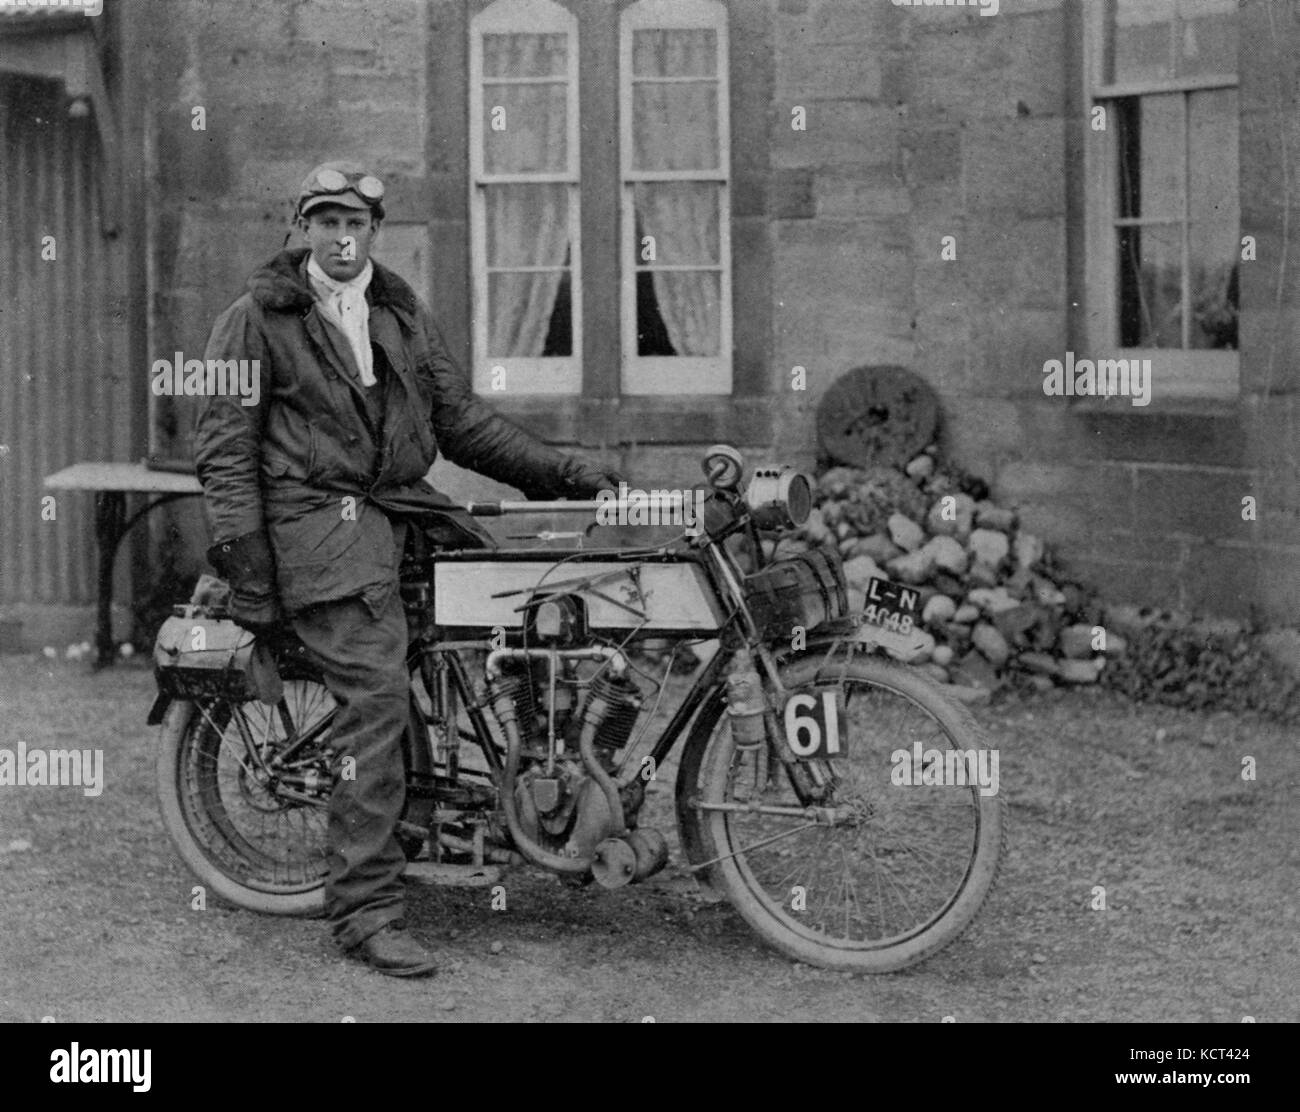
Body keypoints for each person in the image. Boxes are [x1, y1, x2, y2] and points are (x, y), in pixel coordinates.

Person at [194, 160, 620, 976]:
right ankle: (363, 913)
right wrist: (249, 572)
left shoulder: (395, 311)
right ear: (303, 230)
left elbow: (459, 420)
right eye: (325, 221)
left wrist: (564, 474)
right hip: (311, 525)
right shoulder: (254, 319)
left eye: (355, 223)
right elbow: (224, 454)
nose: (341, 236)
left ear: (374, 233)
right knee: (377, 700)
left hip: (396, 505)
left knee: (518, 603)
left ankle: (526, 801)